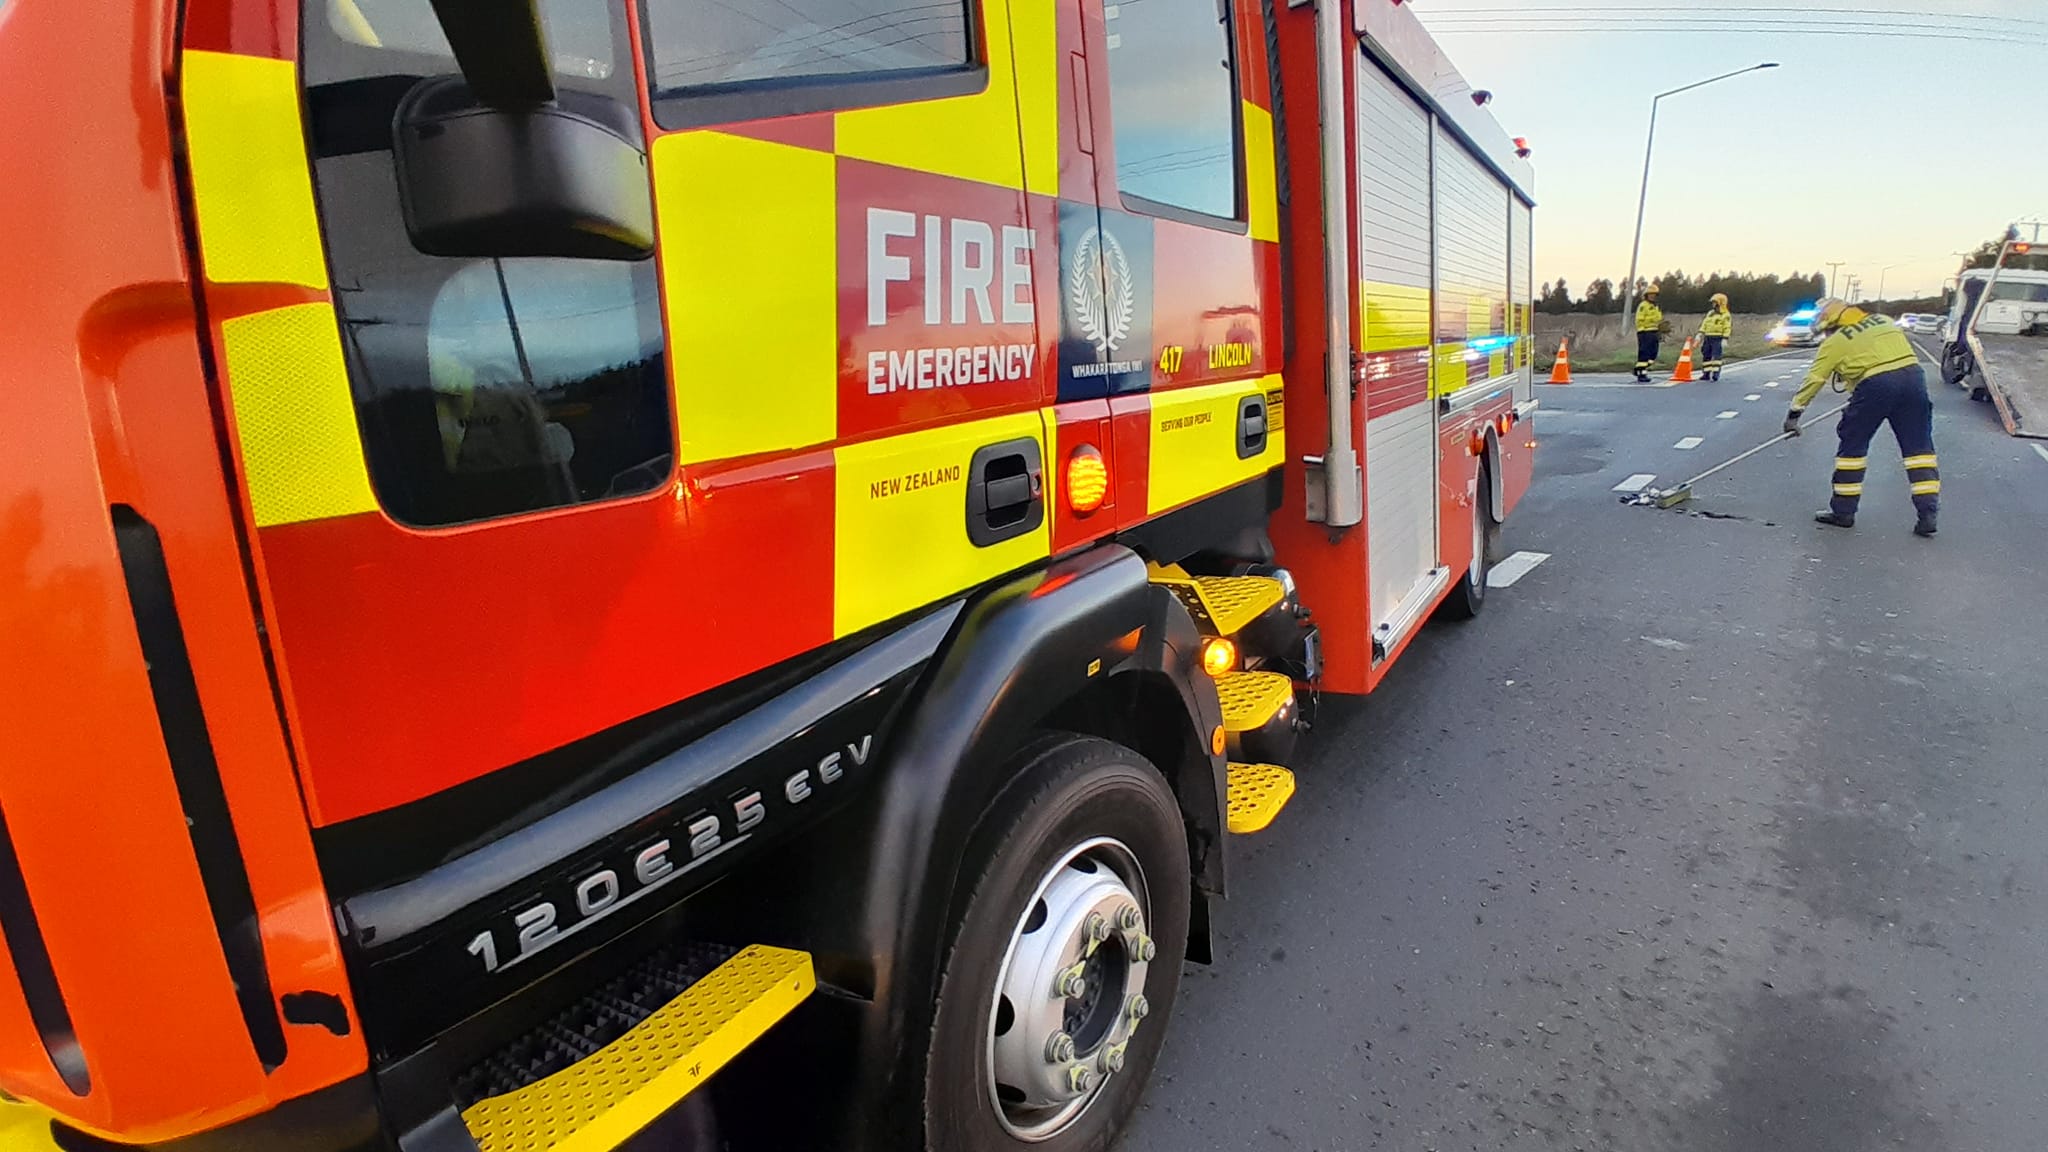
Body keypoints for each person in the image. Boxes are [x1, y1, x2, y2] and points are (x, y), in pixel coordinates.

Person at [1783, 298, 1939, 537]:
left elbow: (1815, 380)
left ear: (1832, 324)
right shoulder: (1884, 321)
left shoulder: (1836, 342)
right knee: (1919, 451)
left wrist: (1794, 414)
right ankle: (1928, 514)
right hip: (1914, 379)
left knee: (1852, 446)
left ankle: (1843, 512)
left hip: (1875, 385)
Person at [1697, 292, 1733, 381]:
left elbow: (1727, 327)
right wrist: (1700, 333)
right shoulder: (1710, 313)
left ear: (1720, 303)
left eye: (1715, 302)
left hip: (1717, 338)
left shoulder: (1725, 315)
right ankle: (1706, 374)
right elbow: (1704, 324)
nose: (1713, 304)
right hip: (1708, 337)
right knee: (1706, 355)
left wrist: (1725, 338)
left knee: (1716, 356)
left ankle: (1716, 374)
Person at [1634, 284, 1665, 382]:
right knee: (1644, 353)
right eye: (1651, 294)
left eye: (1654, 294)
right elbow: (1639, 319)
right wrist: (1651, 321)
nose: (1653, 296)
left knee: (1653, 354)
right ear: (1646, 295)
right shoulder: (1643, 305)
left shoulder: (1655, 306)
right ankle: (1642, 374)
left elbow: (1659, 319)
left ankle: (1638, 368)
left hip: (1654, 331)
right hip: (1645, 332)